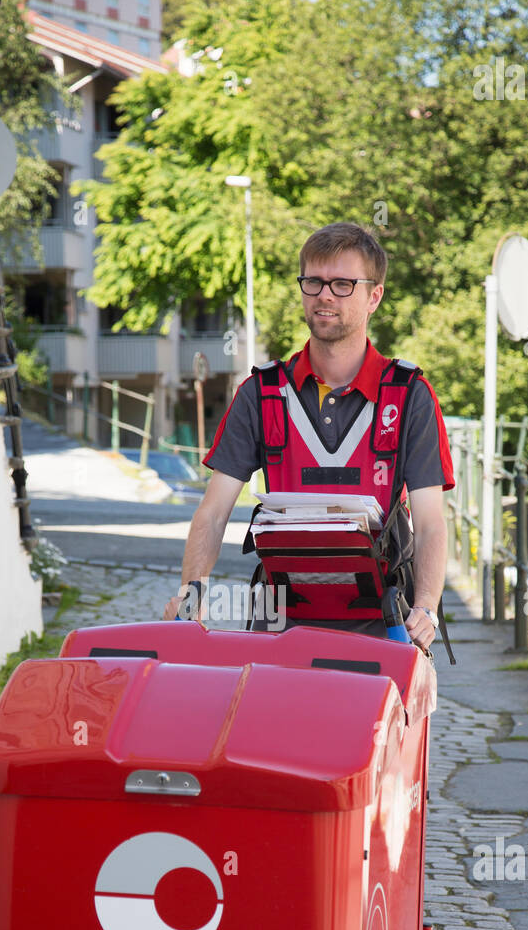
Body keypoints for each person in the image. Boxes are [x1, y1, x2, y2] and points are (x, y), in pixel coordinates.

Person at [163, 222, 455, 652]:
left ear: (374, 296)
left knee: (374, 723)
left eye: (342, 284)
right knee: (275, 720)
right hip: (280, 610)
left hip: (383, 613)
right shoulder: (261, 393)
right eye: (314, 282)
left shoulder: (409, 394)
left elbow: (431, 522)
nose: (324, 295)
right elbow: (213, 511)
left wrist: (426, 607)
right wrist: (194, 595)